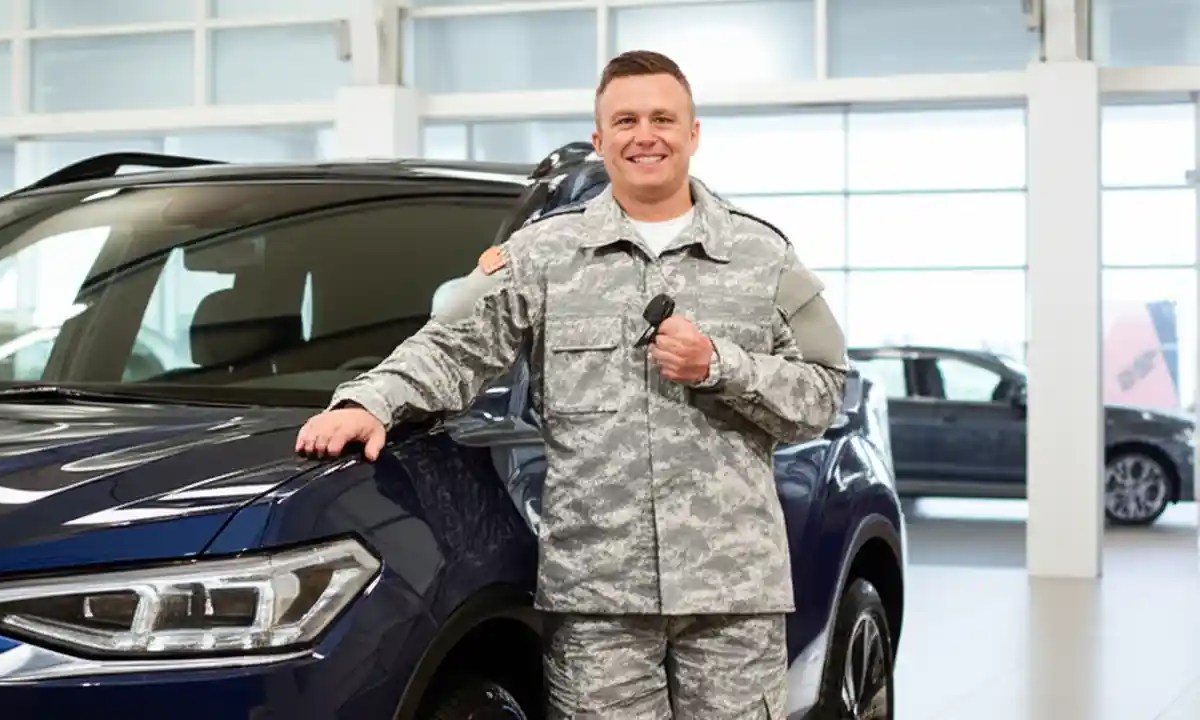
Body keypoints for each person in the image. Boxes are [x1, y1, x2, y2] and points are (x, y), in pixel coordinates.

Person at [296, 50, 849, 720]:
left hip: (731, 596)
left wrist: (719, 366)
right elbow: (453, 346)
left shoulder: (764, 256)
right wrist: (370, 401)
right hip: (599, 597)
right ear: (601, 139)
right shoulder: (543, 256)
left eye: (662, 118)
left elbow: (824, 394)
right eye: (625, 119)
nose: (645, 134)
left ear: (693, 133)